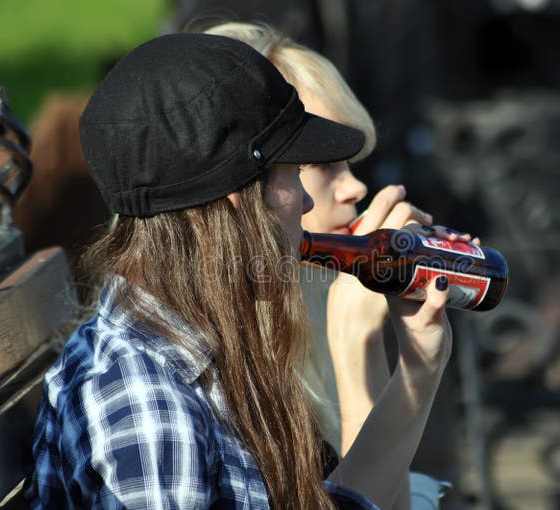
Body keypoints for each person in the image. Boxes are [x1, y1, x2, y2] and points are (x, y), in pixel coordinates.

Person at [26, 32, 456, 509]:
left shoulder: (203, 345)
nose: (311, 200)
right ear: (240, 199)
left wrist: (422, 365)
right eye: (297, 173)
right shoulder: (148, 405)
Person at [203, 22, 473, 508]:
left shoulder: (304, 301)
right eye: (324, 164)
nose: (355, 190)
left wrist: (375, 344)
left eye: (350, 163)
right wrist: (355, 346)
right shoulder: (211, 363)